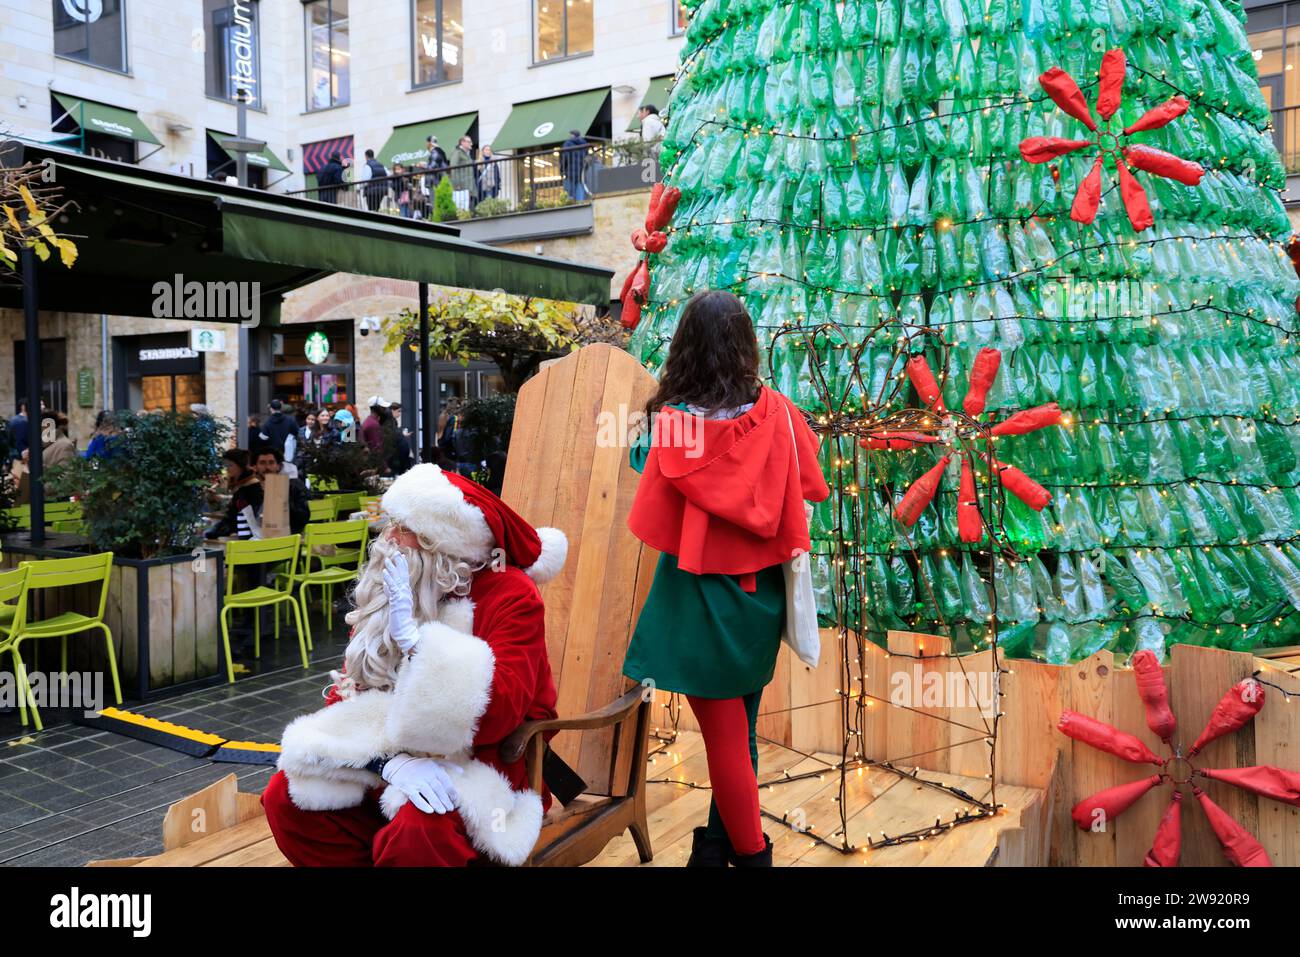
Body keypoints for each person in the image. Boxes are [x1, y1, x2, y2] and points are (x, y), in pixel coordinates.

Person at [262, 463, 569, 866]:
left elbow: (500, 714)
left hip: (483, 762)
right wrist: (385, 762)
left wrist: (418, 647)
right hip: (390, 753)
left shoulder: (512, 594)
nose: (388, 539)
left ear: (444, 543)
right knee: (286, 797)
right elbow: (350, 692)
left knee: (419, 827)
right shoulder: (396, 586)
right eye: (390, 524)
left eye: (403, 528)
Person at [622, 290, 830, 868]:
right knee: (742, 734)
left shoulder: (672, 427)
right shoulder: (781, 414)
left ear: (686, 347)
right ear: (745, 345)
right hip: (759, 601)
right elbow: (811, 483)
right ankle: (715, 847)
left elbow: (642, 467)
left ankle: (749, 855)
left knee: (726, 741)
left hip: (699, 598)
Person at [205, 448, 264, 540]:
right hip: (229, 527)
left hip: (242, 533)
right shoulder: (231, 482)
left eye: (230, 465)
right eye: (225, 465)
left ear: (241, 466)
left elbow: (247, 512)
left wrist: (222, 499)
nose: (227, 469)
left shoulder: (253, 486)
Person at [251, 447, 311, 534]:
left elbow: (303, 517)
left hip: (286, 539)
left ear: (278, 466)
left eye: (271, 463)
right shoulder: (250, 490)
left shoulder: (293, 487)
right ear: (255, 467)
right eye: (262, 463)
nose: (267, 467)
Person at [560, 130, 590, 201]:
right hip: (581, 174)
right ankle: (580, 205)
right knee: (580, 194)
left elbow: (565, 158)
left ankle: (570, 205)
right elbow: (587, 159)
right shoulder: (584, 144)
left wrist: (562, 170)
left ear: (572, 135)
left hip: (570, 173)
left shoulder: (567, 144)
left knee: (569, 195)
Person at [450, 135, 476, 212]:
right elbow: (453, 168)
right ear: (462, 142)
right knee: (462, 208)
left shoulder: (467, 154)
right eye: (469, 142)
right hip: (461, 186)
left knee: (469, 209)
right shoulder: (457, 153)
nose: (471, 144)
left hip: (469, 186)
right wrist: (457, 184)